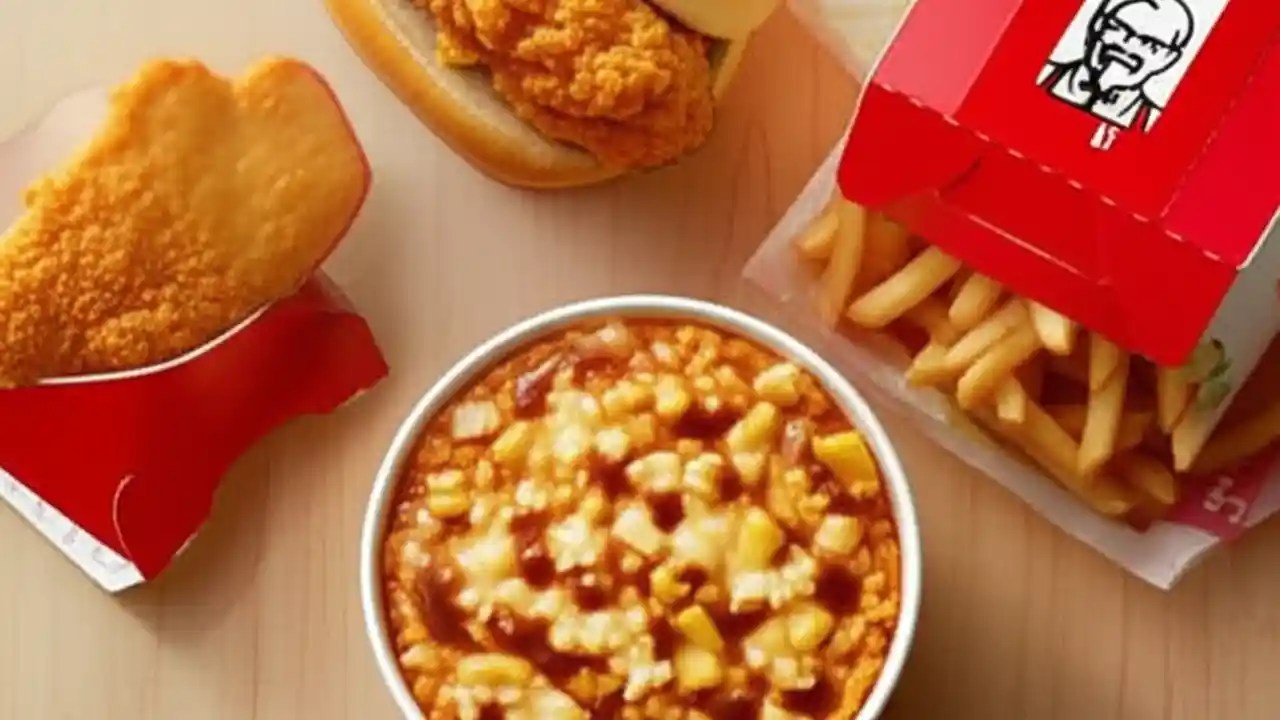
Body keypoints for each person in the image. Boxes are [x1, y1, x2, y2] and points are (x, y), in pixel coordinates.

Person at [1040, 0, 1194, 132]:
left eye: (1150, 44)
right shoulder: (1040, 75)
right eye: (1118, 28)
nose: (1127, 46)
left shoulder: (1157, 126)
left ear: (1167, 58)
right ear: (1098, 24)